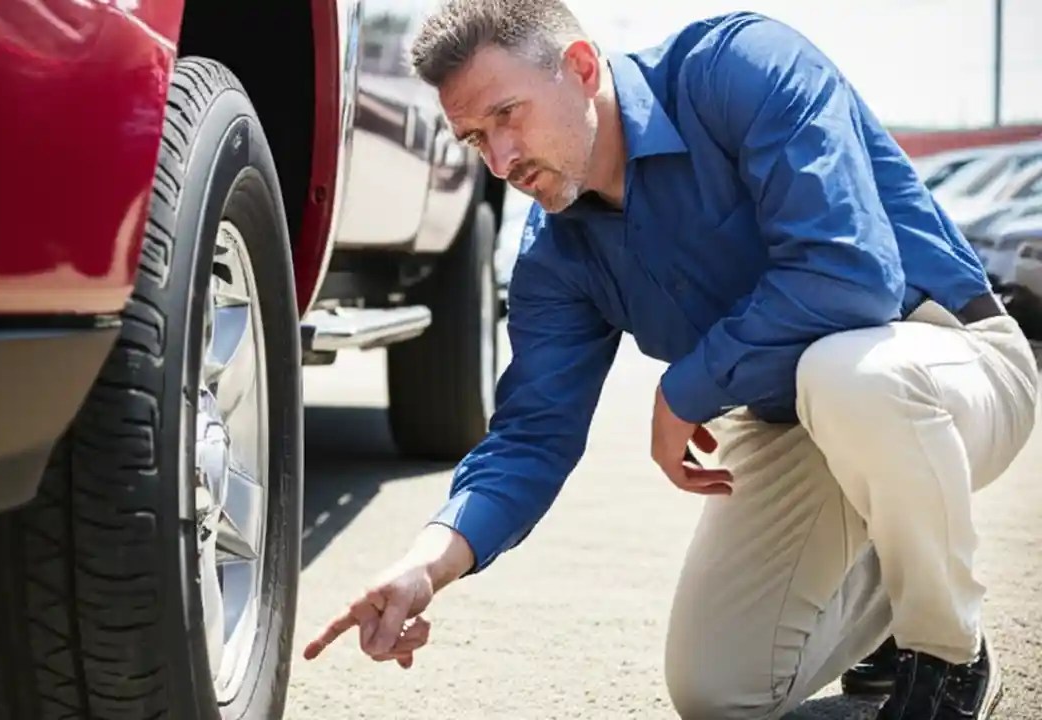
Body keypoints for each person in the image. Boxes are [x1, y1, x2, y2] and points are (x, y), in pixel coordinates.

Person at [302, 2, 1039, 718]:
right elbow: (531, 435)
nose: (499, 161)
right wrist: (427, 562)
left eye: (506, 116)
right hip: (799, 425)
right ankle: (883, 602)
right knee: (718, 692)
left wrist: (687, 387)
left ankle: (948, 656)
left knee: (849, 376)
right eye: (472, 140)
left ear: (581, 67)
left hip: (945, 366)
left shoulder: (740, 69)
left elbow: (850, 275)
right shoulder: (557, 254)